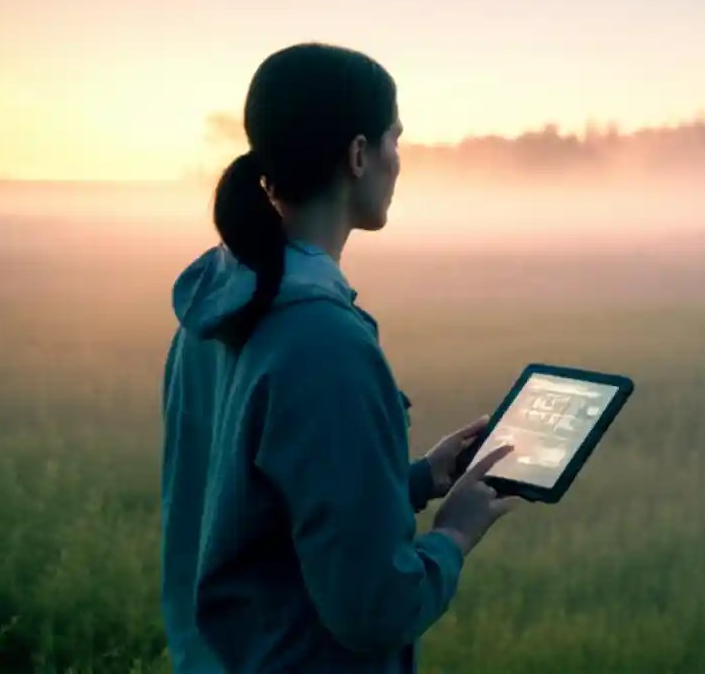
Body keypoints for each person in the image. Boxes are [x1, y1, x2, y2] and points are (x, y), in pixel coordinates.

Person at [160, 42, 522, 673]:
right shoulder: (323, 342)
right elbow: (373, 609)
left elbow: (248, 508)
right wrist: (456, 531)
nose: (399, 161)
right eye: (395, 140)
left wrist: (413, 482)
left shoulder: (217, 304)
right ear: (359, 155)